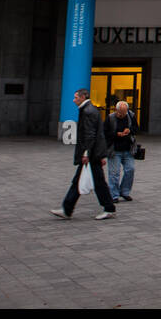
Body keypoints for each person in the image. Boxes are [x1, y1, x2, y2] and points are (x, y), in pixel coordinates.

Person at [51, 88, 117, 220]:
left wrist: (86, 153)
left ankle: (108, 208)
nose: (74, 100)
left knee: (97, 182)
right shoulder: (89, 109)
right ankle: (67, 209)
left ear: (82, 97)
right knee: (80, 181)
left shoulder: (87, 111)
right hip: (94, 152)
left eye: (76, 97)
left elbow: (90, 134)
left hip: (92, 154)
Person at [104, 99, 138, 201]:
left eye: (124, 113)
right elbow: (104, 132)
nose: (122, 115)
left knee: (130, 170)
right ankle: (114, 195)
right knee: (114, 173)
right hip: (114, 150)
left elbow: (136, 128)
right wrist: (116, 134)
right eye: (120, 113)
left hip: (128, 149)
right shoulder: (110, 118)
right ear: (116, 110)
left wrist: (130, 130)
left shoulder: (131, 116)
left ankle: (124, 191)